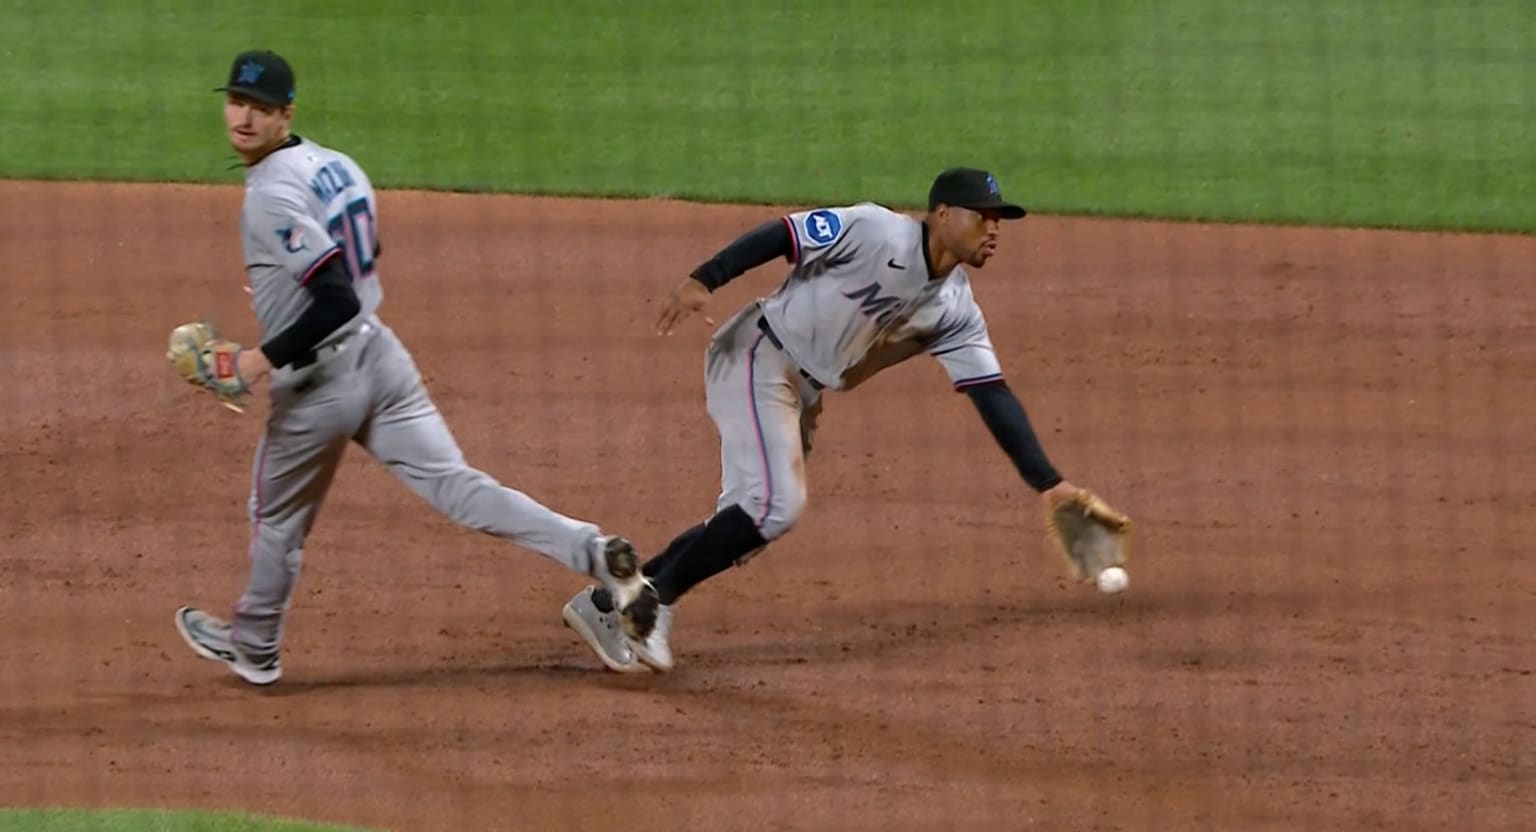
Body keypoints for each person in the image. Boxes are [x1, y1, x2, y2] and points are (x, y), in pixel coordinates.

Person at [173, 49, 656, 686]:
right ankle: (594, 552)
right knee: (459, 485)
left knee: (277, 518)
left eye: (260, 108)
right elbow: (359, 261)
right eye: (237, 101)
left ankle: (255, 646)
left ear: (286, 113)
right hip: (382, 359)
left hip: (320, 387)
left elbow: (336, 295)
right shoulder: (337, 166)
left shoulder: (270, 196)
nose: (243, 116)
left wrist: (257, 359)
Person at [561, 167, 1096, 674]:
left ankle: (610, 601)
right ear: (941, 214)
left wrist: (1049, 483)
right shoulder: (875, 230)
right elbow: (784, 235)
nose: (993, 228)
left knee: (747, 522)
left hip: (802, 392)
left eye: (999, 219)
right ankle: (652, 605)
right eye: (983, 215)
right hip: (758, 354)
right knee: (776, 505)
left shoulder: (955, 310)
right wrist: (705, 277)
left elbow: (992, 394)